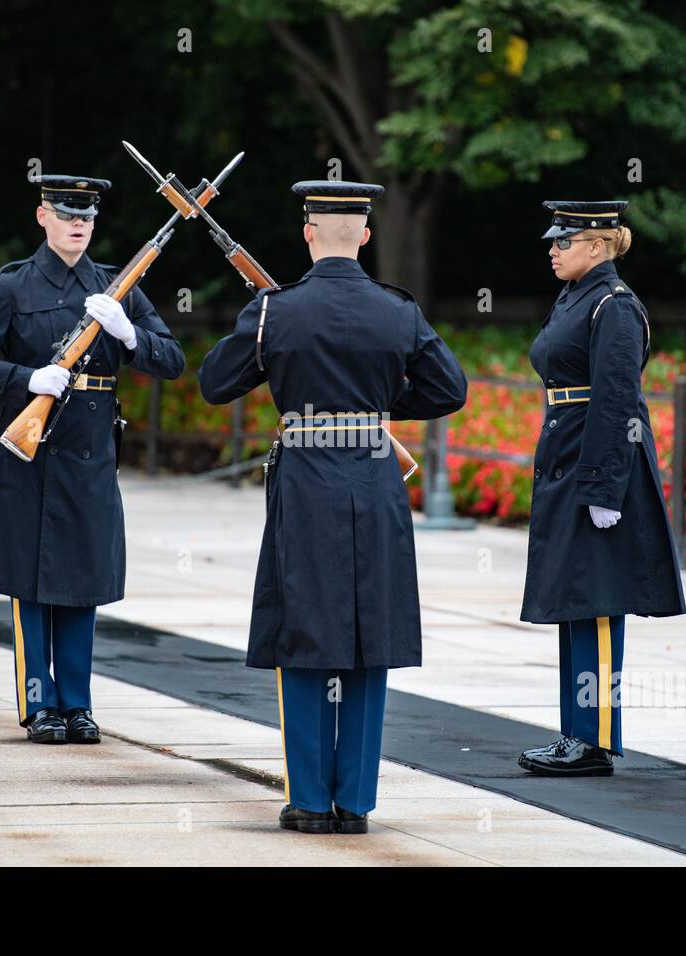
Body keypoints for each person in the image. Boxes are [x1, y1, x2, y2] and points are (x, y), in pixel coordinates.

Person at [197, 180, 467, 833]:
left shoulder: (275, 311)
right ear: (367, 235)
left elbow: (214, 383)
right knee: (367, 637)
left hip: (307, 482)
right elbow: (449, 389)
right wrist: (371, 406)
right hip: (374, 479)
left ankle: (310, 800)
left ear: (308, 232)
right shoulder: (397, 311)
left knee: (306, 631)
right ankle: (356, 804)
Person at [0, 174, 185, 744]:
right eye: (67, 212)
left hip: (89, 453)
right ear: (43, 217)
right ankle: (39, 703)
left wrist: (130, 336)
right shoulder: (13, 286)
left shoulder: (115, 286)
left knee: (83, 583)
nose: (79, 223)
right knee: (29, 585)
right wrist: (27, 377)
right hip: (29, 453)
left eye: (88, 215)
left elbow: (171, 359)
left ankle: (77, 704)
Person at [518, 200, 686, 776]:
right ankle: (574, 732)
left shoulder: (613, 307)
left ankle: (594, 741)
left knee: (596, 602)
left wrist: (604, 490)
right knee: (574, 599)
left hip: (596, 462)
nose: (553, 248)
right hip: (569, 456)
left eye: (564, 241)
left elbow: (617, 404)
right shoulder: (577, 299)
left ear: (599, 245)